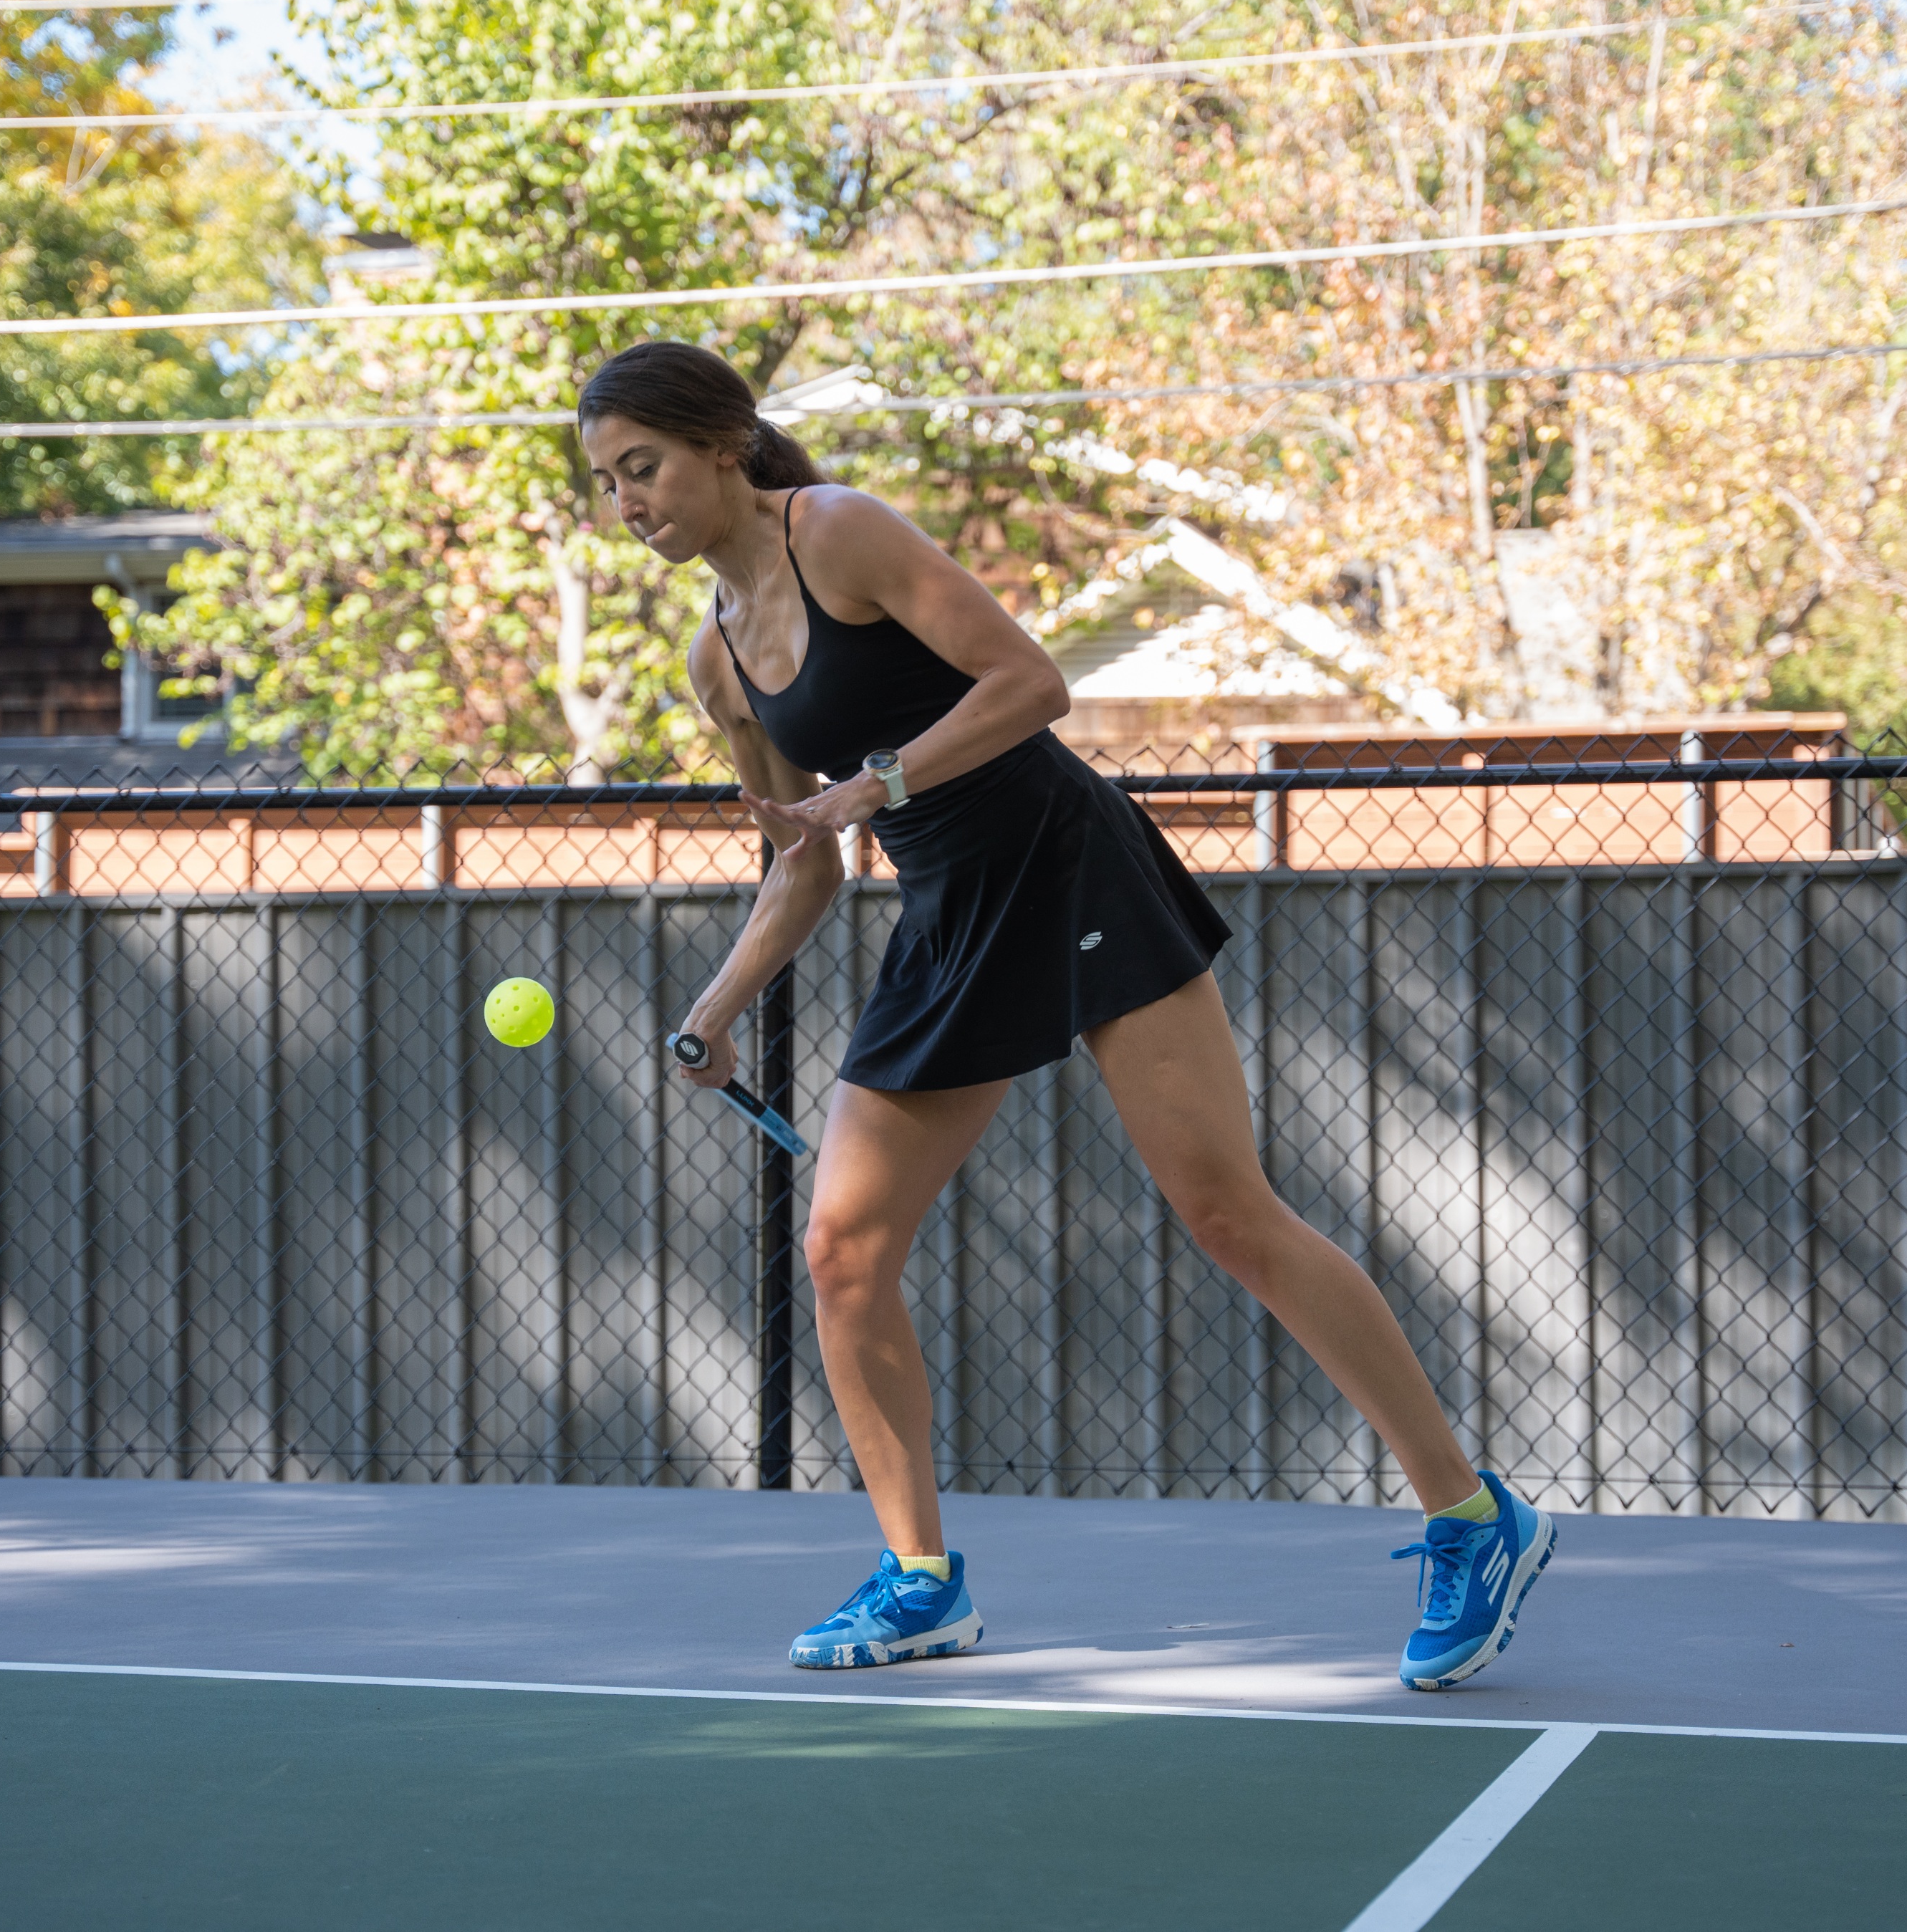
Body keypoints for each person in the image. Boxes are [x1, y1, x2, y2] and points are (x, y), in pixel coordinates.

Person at [575, 341, 1552, 1691]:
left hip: (1067, 858)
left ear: (725, 444)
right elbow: (803, 859)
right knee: (842, 1248)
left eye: (643, 467)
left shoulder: (838, 532)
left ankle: (1472, 1513)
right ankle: (920, 1581)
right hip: (948, 912)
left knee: (1228, 1213)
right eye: (608, 483)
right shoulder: (720, 660)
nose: (628, 502)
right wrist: (717, 1007)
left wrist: (878, 782)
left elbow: (1034, 683)